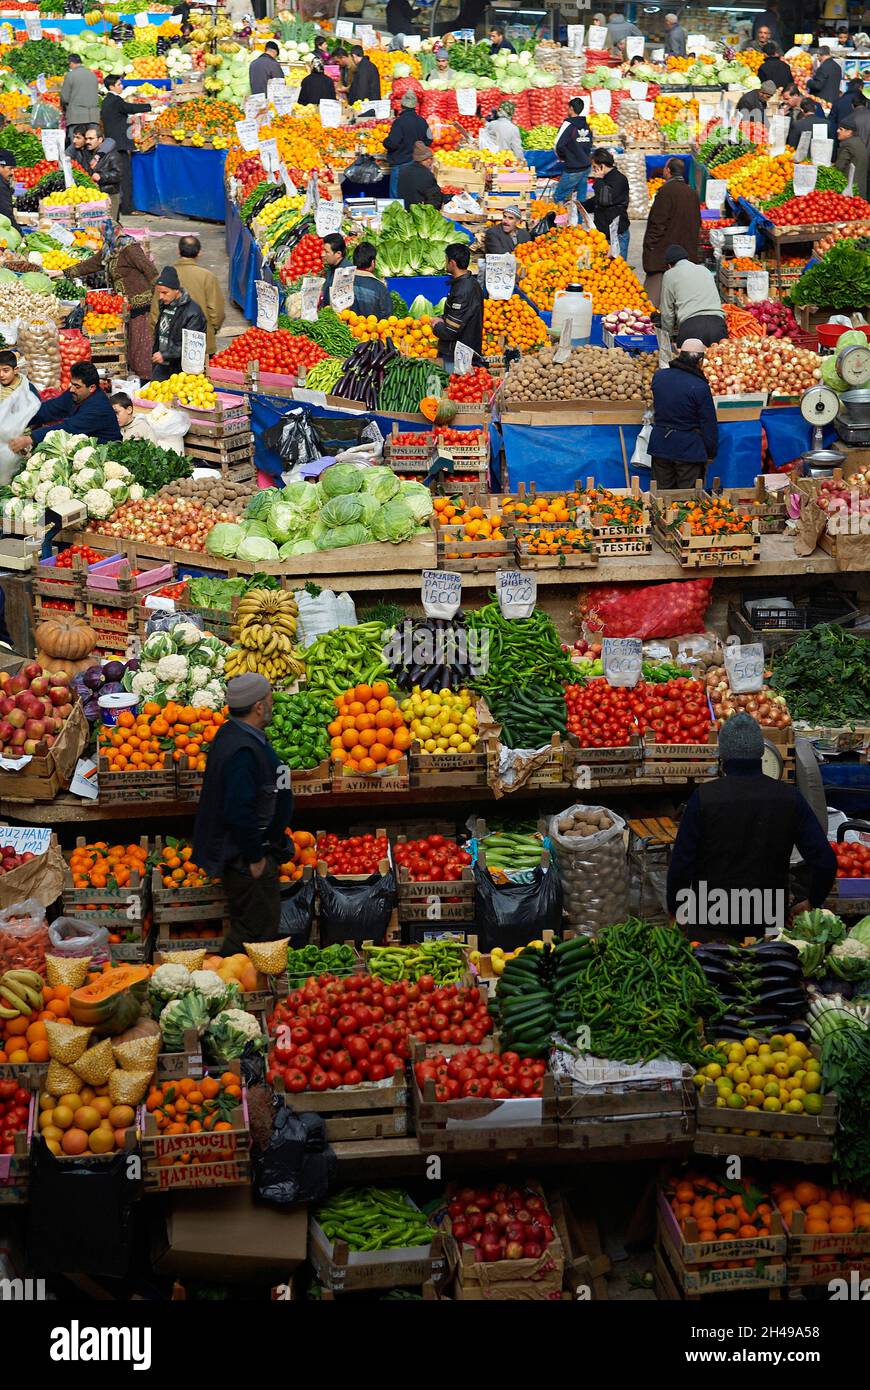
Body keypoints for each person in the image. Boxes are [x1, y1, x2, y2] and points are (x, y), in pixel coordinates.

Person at [666, 713, 836, 942]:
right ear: (761, 752)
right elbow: (825, 861)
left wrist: (677, 909)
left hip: (710, 923)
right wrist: (812, 900)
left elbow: (681, 864)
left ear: (722, 754)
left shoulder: (704, 798)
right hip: (766, 924)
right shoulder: (789, 798)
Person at [192, 674, 291, 955]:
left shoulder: (234, 733)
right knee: (254, 932)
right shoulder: (242, 751)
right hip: (245, 857)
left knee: (257, 926)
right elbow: (238, 809)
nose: (273, 706)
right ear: (259, 707)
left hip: (251, 850)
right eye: (270, 701)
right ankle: (226, 983)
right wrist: (255, 856)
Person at [71, 219, 159, 379]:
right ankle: (137, 376)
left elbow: (151, 270)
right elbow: (91, 264)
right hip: (124, 305)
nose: (102, 236)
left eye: (104, 233)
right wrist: (65, 272)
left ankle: (147, 379)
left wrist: (158, 297)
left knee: (140, 345)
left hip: (141, 303)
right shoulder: (110, 249)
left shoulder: (130, 248)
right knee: (131, 344)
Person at [9, 362, 120, 456]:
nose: (72, 389)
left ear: (92, 388)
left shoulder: (98, 408)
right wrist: (19, 418)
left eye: (77, 386)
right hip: (83, 448)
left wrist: (30, 439)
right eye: (72, 384)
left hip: (106, 452)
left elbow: (68, 428)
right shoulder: (76, 393)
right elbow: (50, 409)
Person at [648, 338, 716, 490]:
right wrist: (710, 452)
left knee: (661, 496)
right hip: (688, 449)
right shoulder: (700, 386)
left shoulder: (659, 377)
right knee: (687, 500)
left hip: (661, 445)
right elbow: (708, 422)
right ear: (700, 361)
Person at [148, 234, 225, 357]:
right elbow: (216, 311)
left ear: (178, 251)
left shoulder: (164, 277)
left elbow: (154, 314)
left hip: (168, 348)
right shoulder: (207, 276)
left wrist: (159, 338)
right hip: (200, 345)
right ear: (199, 253)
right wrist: (211, 330)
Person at [642, 157, 700, 307]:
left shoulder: (666, 192)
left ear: (668, 171)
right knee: (680, 294)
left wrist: (650, 246)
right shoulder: (692, 193)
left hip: (664, 252)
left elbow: (658, 223)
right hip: (686, 251)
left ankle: (653, 322)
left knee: (653, 298)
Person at [100, 75, 151, 217]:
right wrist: (149, 106)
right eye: (119, 84)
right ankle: (128, 207)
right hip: (120, 144)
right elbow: (129, 107)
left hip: (112, 142)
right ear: (112, 87)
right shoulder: (115, 100)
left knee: (119, 175)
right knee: (125, 176)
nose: (121, 86)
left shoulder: (106, 101)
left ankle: (122, 205)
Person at [658, 244, 726, 346]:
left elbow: (667, 313)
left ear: (669, 265)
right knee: (716, 360)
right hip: (717, 325)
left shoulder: (669, 274)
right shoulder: (705, 270)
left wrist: (667, 338)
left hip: (691, 328)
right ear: (687, 259)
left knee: (689, 361)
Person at [151, 265, 207, 381]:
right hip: (162, 366)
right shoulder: (165, 305)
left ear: (176, 290)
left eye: (165, 293)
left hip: (180, 370)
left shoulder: (193, 313)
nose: (161, 297)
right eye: (159, 293)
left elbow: (191, 345)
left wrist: (166, 355)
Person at [432, 242, 483, 368]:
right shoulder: (469, 283)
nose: (445, 263)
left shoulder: (463, 290)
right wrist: (443, 318)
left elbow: (451, 331)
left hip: (458, 355)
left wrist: (436, 325)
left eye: (446, 260)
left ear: (452, 263)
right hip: (464, 350)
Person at [582, 146, 630, 259]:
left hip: (617, 235)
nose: (593, 170)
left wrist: (598, 179)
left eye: (594, 167)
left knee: (617, 269)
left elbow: (605, 200)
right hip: (604, 233)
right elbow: (597, 200)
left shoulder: (619, 179)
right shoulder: (605, 178)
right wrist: (580, 206)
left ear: (601, 166)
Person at [383, 90, 432, 199]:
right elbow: (429, 140)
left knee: (397, 198)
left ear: (402, 105)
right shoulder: (422, 121)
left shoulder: (399, 122)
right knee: (413, 196)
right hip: (418, 164)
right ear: (415, 106)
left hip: (401, 165)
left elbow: (392, 143)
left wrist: (385, 142)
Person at [0, 350, 39, 485]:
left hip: (18, 441)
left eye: (6, 370)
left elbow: (36, 415)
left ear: (15, 370)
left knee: (13, 475)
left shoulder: (27, 390)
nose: (1, 375)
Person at [553, 97, 593, 204]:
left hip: (573, 168)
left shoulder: (568, 124)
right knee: (581, 199)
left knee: (558, 196)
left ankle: (558, 219)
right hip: (586, 166)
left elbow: (557, 144)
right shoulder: (587, 126)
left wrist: (562, 157)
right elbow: (589, 145)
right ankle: (579, 220)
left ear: (571, 108)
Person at [82, 124, 123, 222]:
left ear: (100, 140)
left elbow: (119, 174)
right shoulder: (89, 154)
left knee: (110, 224)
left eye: (91, 139)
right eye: (86, 139)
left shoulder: (113, 155)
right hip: (95, 196)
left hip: (110, 195)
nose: (87, 141)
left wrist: (101, 176)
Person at [349, 241, 393, 319]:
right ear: (373, 263)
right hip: (372, 330)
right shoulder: (380, 287)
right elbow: (386, 317)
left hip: (345, 330)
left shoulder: (344, 281)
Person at [397, 141, 444, 209]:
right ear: (428, 160)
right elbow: (434, 199)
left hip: (404, 210)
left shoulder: (403, 170)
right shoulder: (427, 175)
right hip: (419, 212)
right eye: (431, 159)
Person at [60, 53, 100, 127]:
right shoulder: (92, 75)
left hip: (77, 117)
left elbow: (65, 97)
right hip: (93, 116)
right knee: (91, 137)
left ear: (71, 63)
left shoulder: (71, 75)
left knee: (77, 137)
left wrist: (64, 108)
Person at [836, 117, 869, 196]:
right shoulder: (858, 141)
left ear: (849, 132)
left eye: (841, 129)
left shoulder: (847, 144)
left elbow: (839, 166)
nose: (837, 131)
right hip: (860, 187)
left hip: (850, 189)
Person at [322, 232, 349, 302]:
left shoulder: (345, 273)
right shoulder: (331, 266)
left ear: (338, 254)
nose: (322, 254)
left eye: (326, 252)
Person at [0, 150, 21, 236]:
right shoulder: (1, 186)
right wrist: (20, 234)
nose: (12, 172)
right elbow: (6, 212)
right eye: (10, 169)